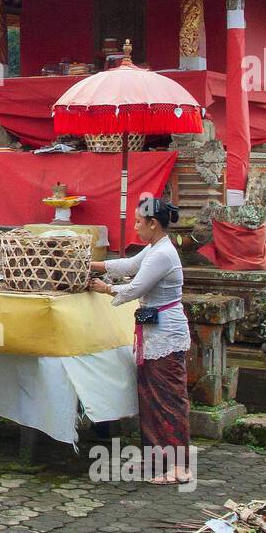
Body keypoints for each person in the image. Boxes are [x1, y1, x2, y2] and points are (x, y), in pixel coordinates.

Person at [88, 197, 193, 485]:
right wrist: (91, 264)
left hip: (166, 332)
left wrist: (105, 288)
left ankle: (179, 466)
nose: (135, 227)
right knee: (149, 396)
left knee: (168, 398)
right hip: (152, 326)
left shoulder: (163, 255)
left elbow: (136, 287)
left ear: (153, 223)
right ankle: (155, 457)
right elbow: (128, 264)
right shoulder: (154, 248)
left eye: (138, 222)